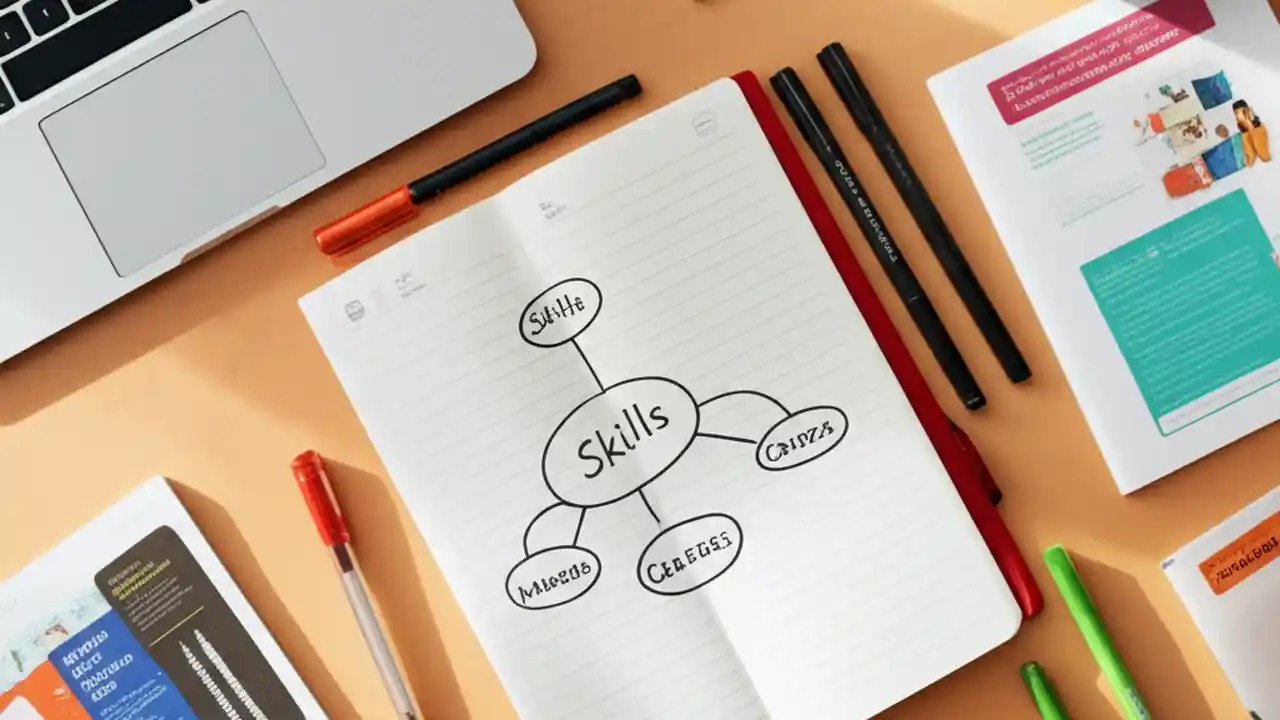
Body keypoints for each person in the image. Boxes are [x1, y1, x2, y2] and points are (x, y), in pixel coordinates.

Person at [1234, 100, 1270, 165]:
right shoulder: (1242, 133)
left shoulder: (1260, 129)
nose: (1239, 116)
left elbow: (1264, 155)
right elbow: (1249, 156)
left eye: (1243, 112)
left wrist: (1251, 124)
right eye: (1237, 113)